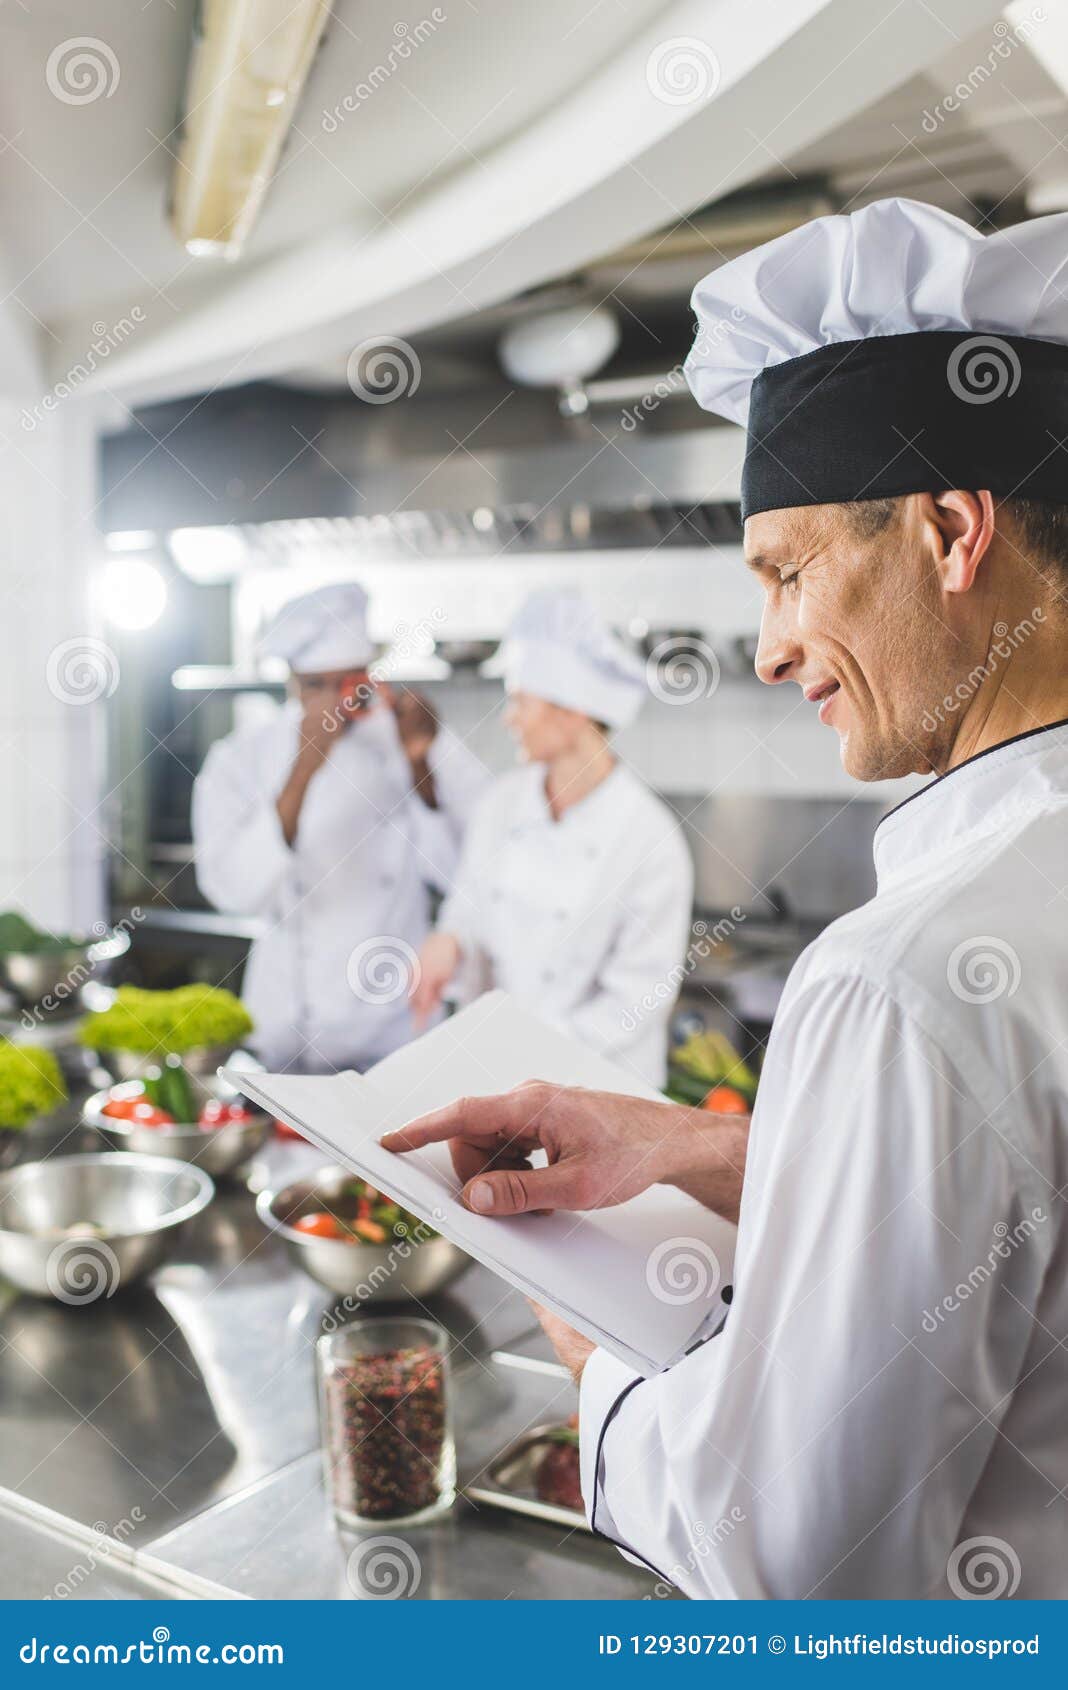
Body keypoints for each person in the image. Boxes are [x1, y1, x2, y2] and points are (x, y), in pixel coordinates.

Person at [384, 200, 1068, 1598]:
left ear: (949, 530)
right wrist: (686, 1144)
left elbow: (794, 1555)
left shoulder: (911, 977)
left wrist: (612, 1369)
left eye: (788, 572)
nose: (769, 648)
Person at [192, 583, 487, 1072]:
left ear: (368, 679)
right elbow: (232, 892)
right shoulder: (240, 757)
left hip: (394, 1035)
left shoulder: (409, 739)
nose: (332, 703)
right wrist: (303, 771)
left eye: (346, 685)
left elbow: (467, 875)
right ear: (291, 683)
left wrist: (421, 763)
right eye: (315, 687)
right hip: (286, 1032)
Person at [410, 588, 694, 1088]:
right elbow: (470, 902)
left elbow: (634, 1003)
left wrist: (528, 1058)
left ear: (572, 710)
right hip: (496, 1079)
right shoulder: (502, 803)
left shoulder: (649, 839)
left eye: (520, 700)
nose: (509, 718)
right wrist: (448, 940)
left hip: (599, 1094)